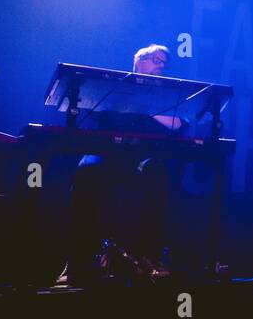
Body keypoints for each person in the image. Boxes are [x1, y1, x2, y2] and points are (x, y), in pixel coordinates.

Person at [64, 44, 184, 285]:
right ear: (138, 61)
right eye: (155, 60)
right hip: (107, 153)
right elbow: (82, 108)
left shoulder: (167, 93)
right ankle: (78, 260)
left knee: (158, 173)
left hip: (142, 158)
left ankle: (149, 257)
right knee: (86, 170)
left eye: (163, 63)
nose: (160, 66)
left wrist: (147, 106)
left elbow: (179, 125)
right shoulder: (115, 86)